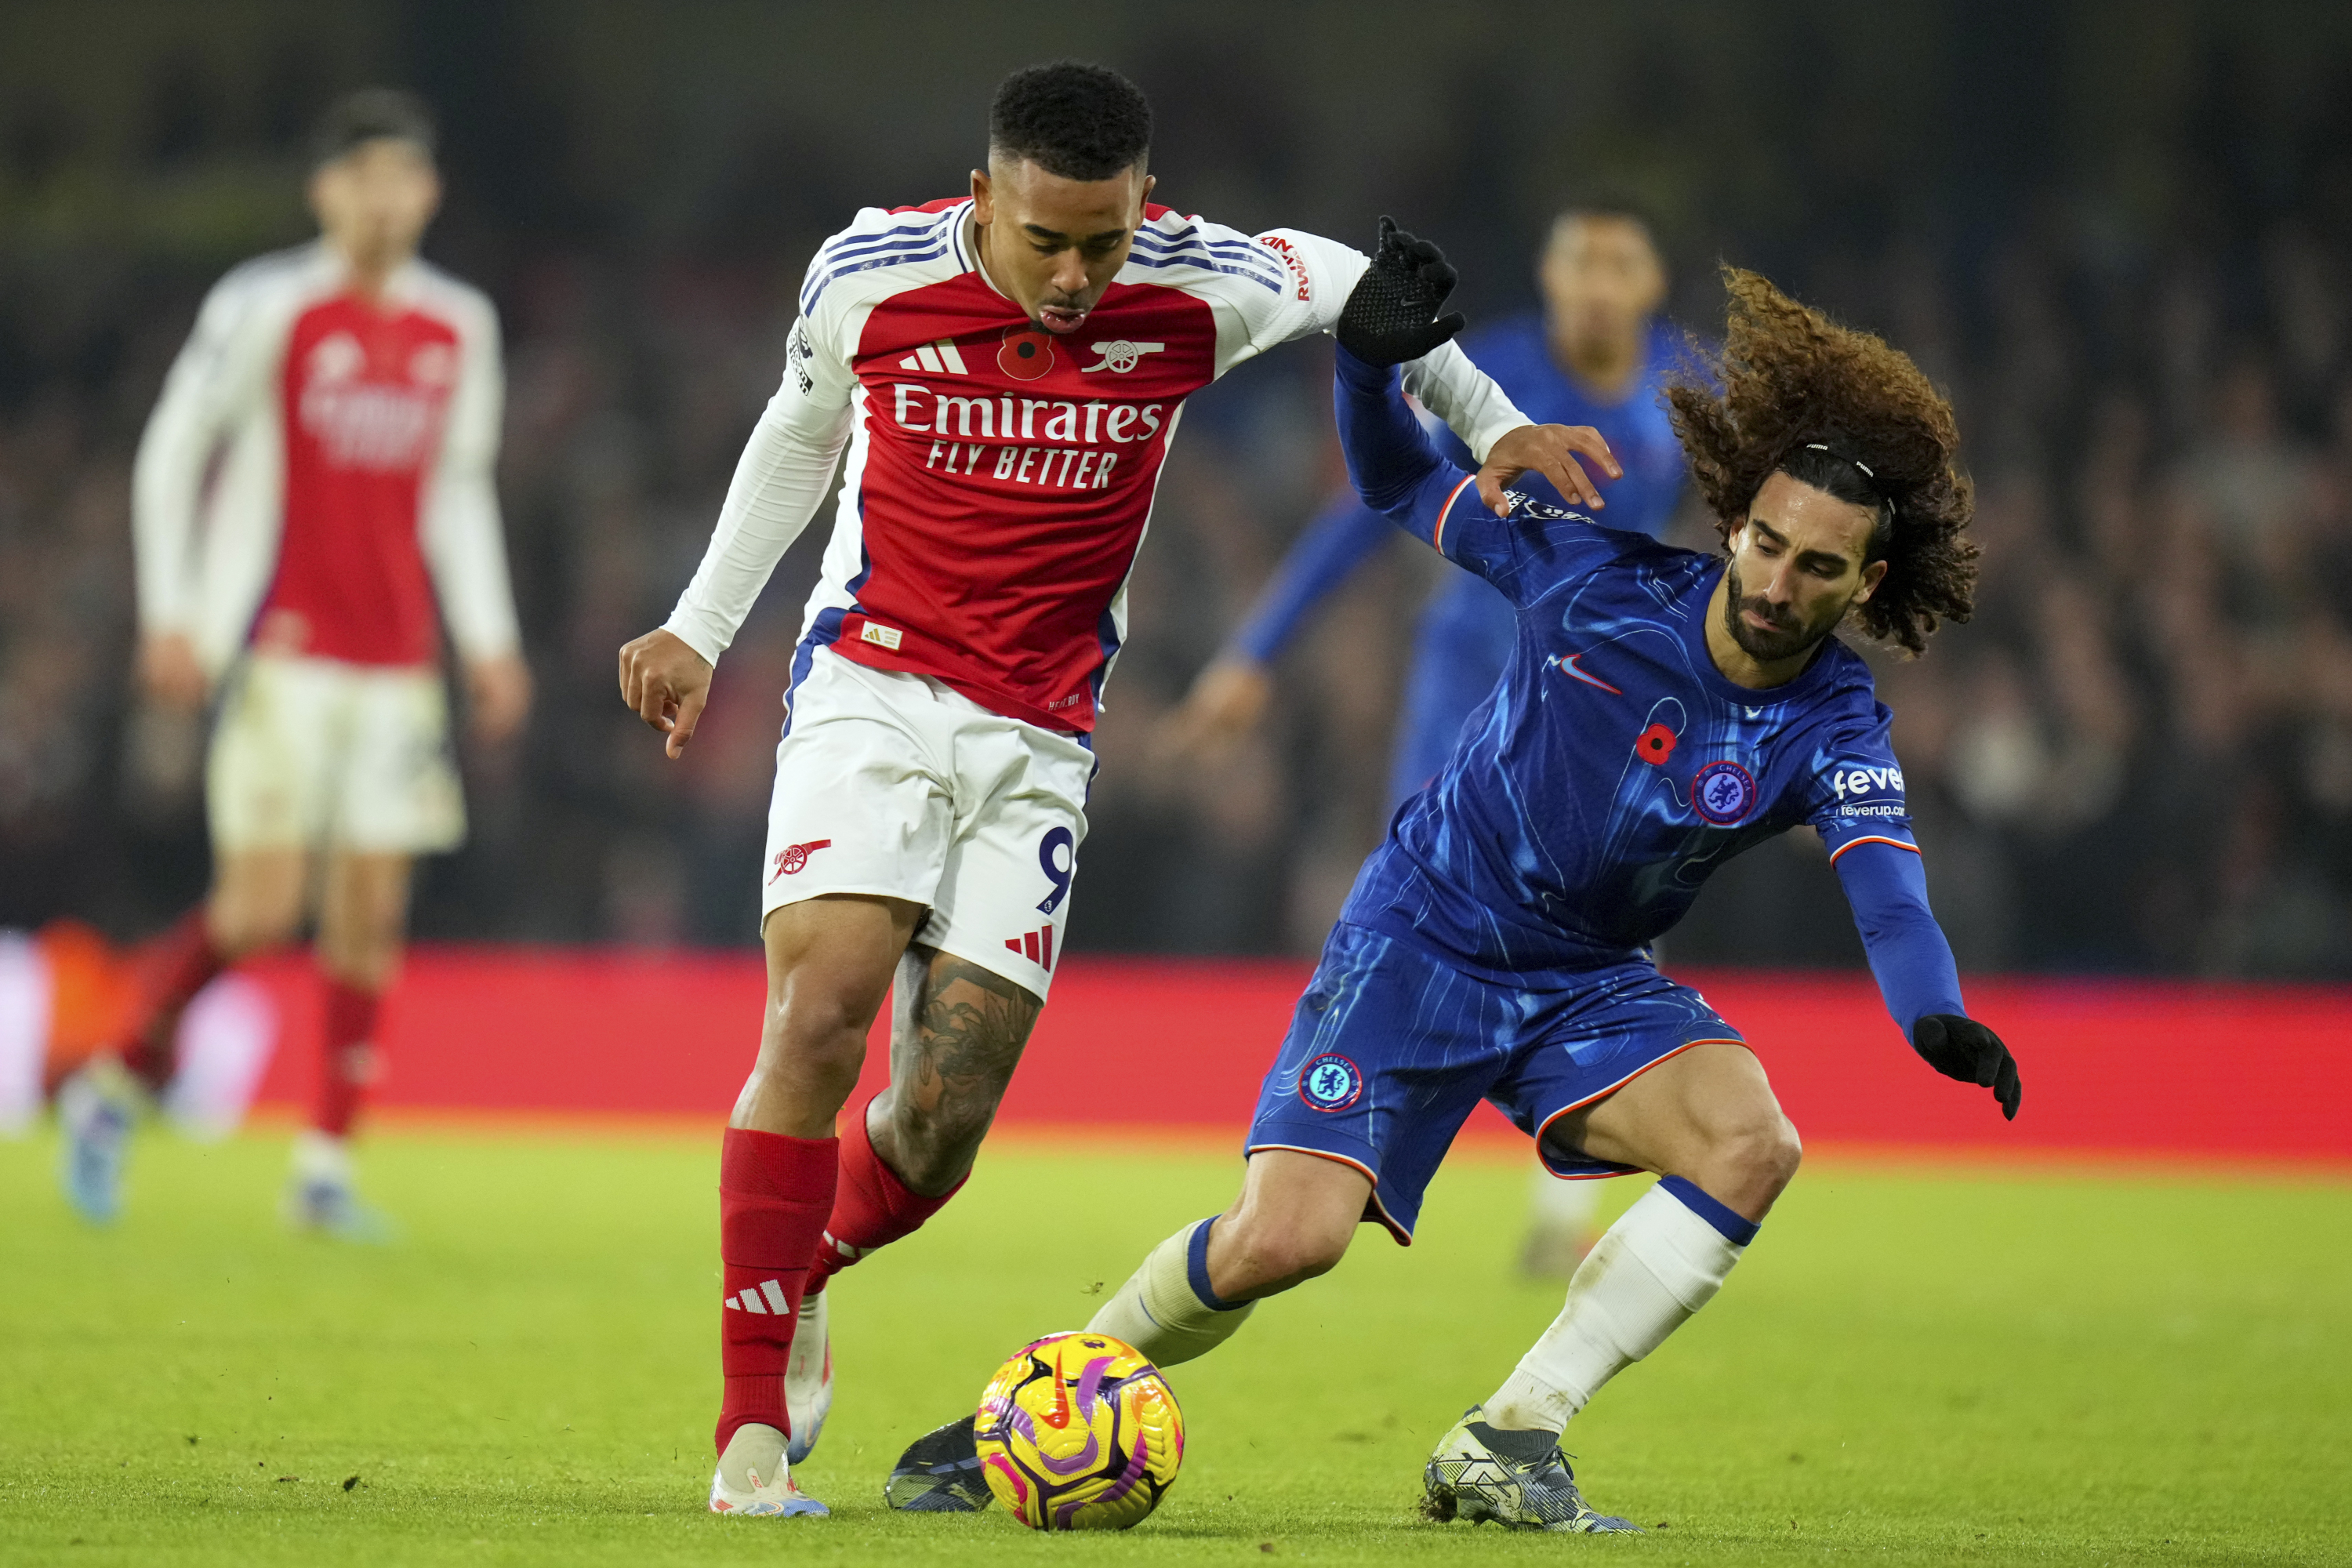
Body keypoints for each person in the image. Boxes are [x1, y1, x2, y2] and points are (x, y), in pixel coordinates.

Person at [884, 240, 2022, 1532]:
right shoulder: (1592, 577)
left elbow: (1887, 889)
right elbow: (1393, 481)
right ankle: (1037, 1408)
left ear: (1864, 583)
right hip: (1421, 938)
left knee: (1753, 1144)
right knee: (1284, 1241)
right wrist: (1369, 368)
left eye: (1817, 569)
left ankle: (1510, 1438)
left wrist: (1932, 1011)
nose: (1776, 584)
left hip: (1589, 984)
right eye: (1765, 545)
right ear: (1735, 526)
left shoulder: (1835, 720)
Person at [614, 63, 1595, 1520]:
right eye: (1044, 240)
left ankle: (802, 1257)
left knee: (941, 1120)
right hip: (872, 684)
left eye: (1105, 241)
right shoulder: (871, 273)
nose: (1076, 275)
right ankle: (750, 1432)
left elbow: (1358, 289)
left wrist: (1494, 421)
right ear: (983, 193)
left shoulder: (1198, 286)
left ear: (1148, 204)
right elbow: (802, 434)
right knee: (821, 1005)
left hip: (1043, 732)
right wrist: (699, 625)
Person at [1172, 202, 1686, 1277]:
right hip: (1467, 688)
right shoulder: (1487, 370)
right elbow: (1367, 504)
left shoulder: (1696, 386)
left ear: (1651, 282)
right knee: (1419, 908)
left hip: (1601, 702)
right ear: (1549, 276)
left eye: (1619, 263)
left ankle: (1564, 1211)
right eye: (1579, 260)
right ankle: (1333, 1143)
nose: (1597, 283)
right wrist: (1254, 653)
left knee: (1615, 920)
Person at [60, 89, 529, 1234]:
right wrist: (173, 611)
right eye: (362, 178)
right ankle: (112, 1082)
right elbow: (176, 448)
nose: (384, 200)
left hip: (395, 666)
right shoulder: (267, 306)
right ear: (325, 191)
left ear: (430, 194)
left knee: (370, 912)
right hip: (280, 649)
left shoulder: (458, 326)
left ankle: (323, 1169)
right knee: (262, 907)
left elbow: (459, 486)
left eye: (403, 180)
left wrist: (492, 638)